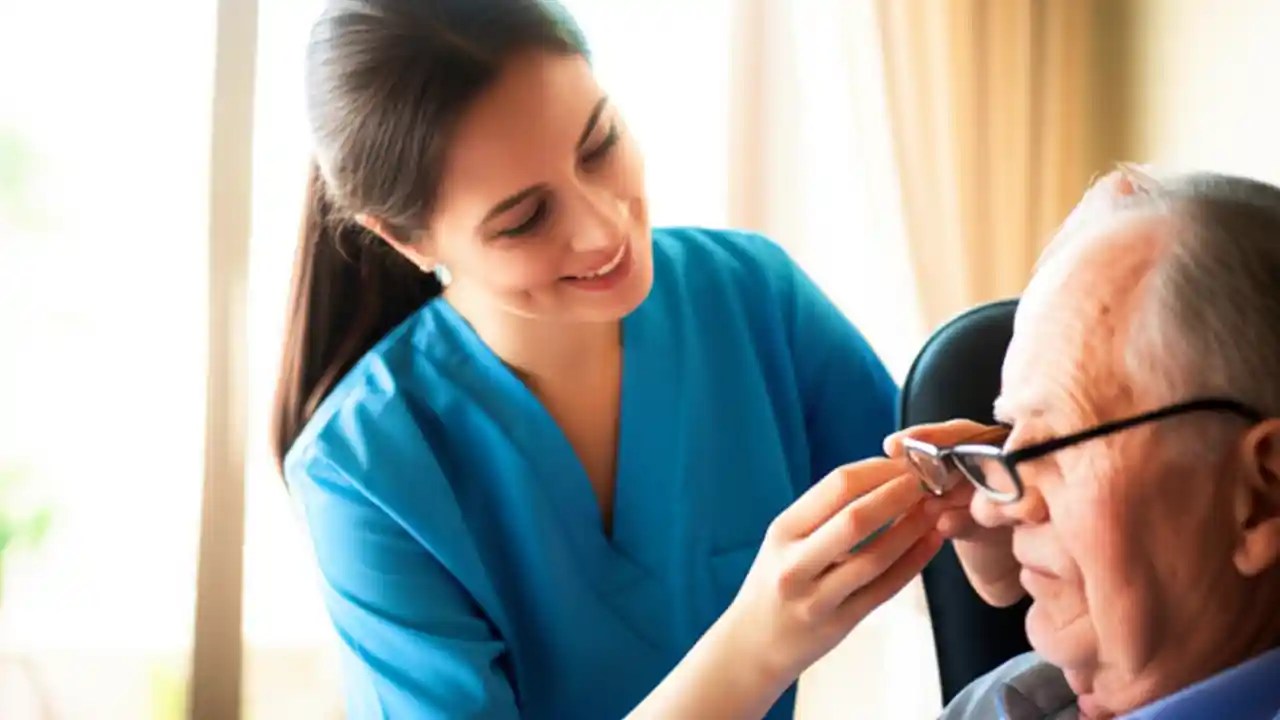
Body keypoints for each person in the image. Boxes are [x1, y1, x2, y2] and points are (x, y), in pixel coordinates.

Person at [271, 2, 995, 718]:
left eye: (599, 145)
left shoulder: (752, 298)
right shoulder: (361, 474)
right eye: (525, 219)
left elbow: (967, 543)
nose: (603, 225)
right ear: (408, 242)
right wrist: (757, 647)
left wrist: (1007, 486)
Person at [888, 166, 1280, 719]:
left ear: (1261, 496)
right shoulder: (1002, 704)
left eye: (1054, 440)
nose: (986, 506)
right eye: (1008, 439)